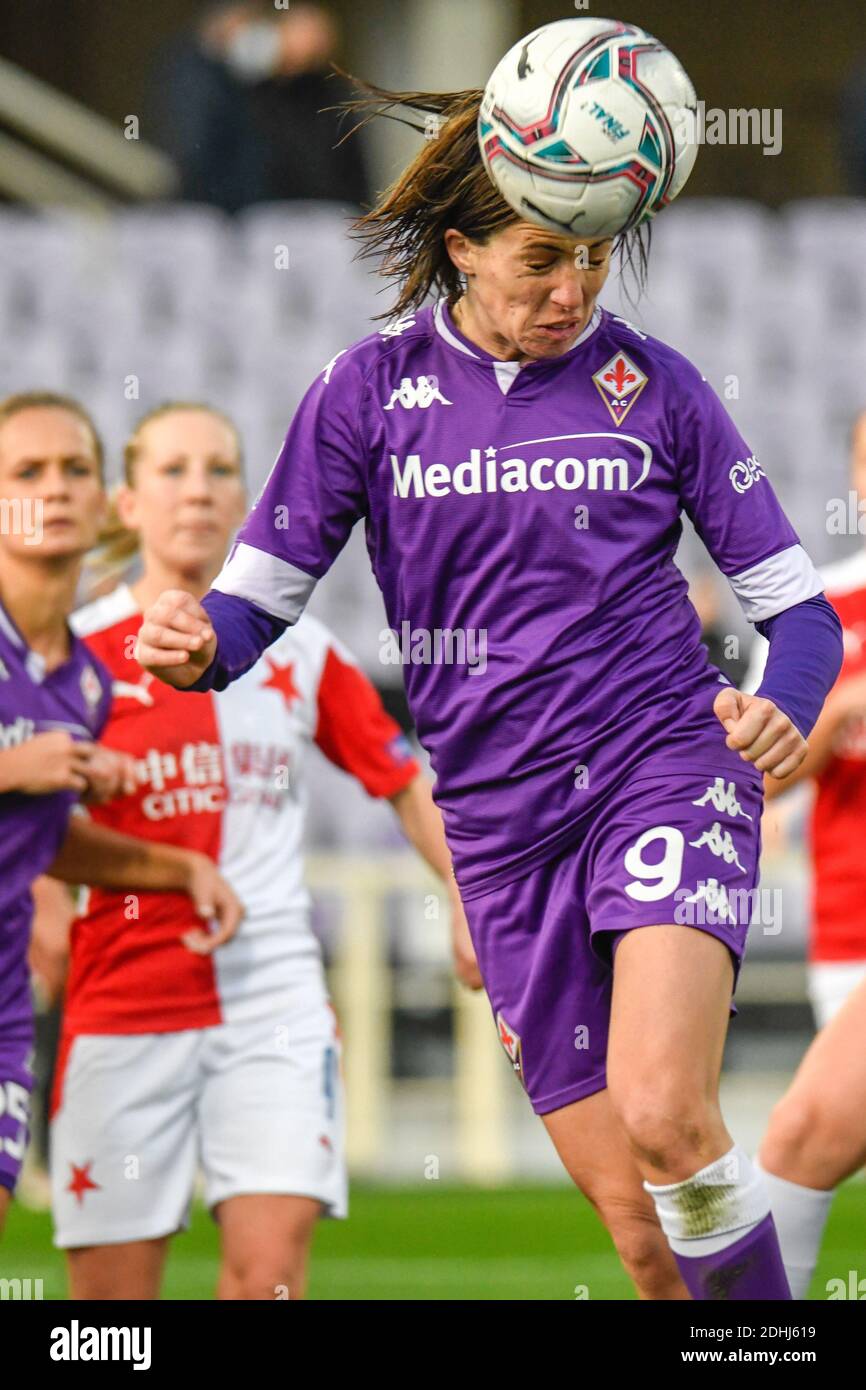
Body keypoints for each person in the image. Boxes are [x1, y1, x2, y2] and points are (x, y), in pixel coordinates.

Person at [135, 82, 844, 1301]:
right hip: (501, 839)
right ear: (460, 249)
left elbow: (798, 613)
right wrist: (194, 644)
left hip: (662, 770)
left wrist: (776, 699)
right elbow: (253, 608)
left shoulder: (658, 389)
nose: (570, 291)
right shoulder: (361, 395)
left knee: (668, 1112)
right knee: (640, 1235)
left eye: (591, 259)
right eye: (537, 262)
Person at [48, 400, 472, 1300]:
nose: (197, 491)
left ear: (245, 498)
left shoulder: (300, 651)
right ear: (126, 503)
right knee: (110, 1316)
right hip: (122, 1002)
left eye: (218, 470)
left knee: (268, 1281)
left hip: (271, 1000)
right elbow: (33, 825)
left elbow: (405, 783)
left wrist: (469, 903)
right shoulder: (75, 658)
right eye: (172, 471)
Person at [0, 392, 241, 1238]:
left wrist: (182, 873)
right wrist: (15, 766)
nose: (57, 488)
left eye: (74, 469)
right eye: (27, 472)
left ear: (106, 500)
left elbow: (45, 840)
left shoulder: (87, 678)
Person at [741, 409, 866, 1297]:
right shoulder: (819, 610)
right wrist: (840, 715)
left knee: (798, 1137)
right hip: (844, 933)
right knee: (805, 1139)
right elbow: (757, 776)